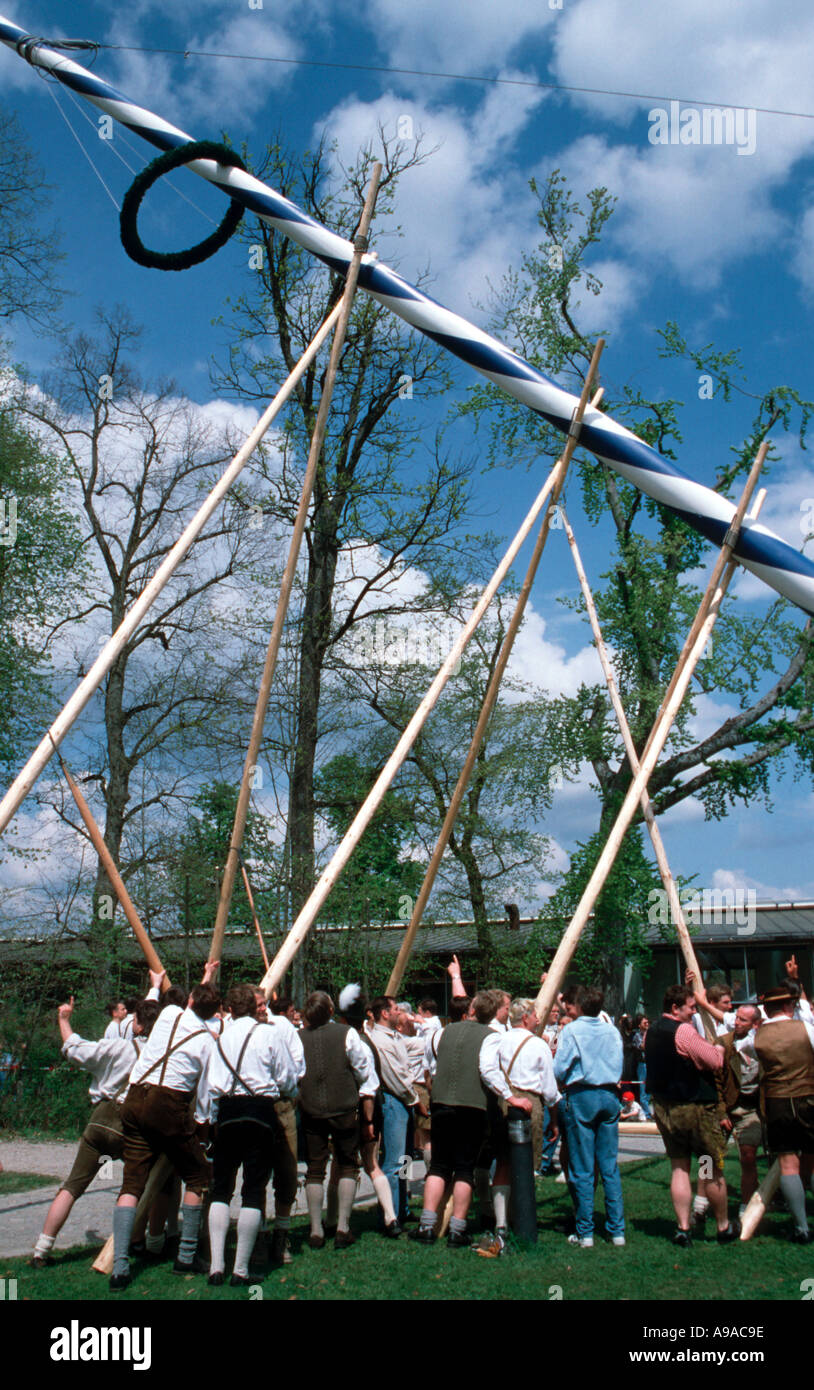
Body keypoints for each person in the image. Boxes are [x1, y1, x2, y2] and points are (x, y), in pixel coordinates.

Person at [109, 962, 221, 1291]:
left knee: (132, 1184)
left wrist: (157, 984)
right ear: (215, 1012)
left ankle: (119, 1268)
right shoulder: (207, 1042)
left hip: (134, 1098)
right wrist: (202, 1131)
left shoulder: (169, 1015)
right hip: (168, 1104)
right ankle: (186, 1255)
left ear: (190, 1002)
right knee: (198, 1176)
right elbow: (204, 1099)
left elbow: (172, 1004)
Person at [31, 994, 160, 1267]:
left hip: (101, 1117)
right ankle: (138, 1240)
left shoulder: (120, 1048)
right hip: (134, 1127)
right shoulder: (164, 1058)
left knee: (72, 1186)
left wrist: (63, 1019)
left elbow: (75, 1049)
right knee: (138, 1187)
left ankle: (41, 1249)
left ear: (137, 1026)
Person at [411, 991, 531, 1248]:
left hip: (441, 1103)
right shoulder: (491, 1037)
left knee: (439, 1166)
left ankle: (426, 1225)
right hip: (471, 1107)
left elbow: (431, 1067)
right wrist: (511, 1097)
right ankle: (457, 1230)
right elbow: (488, 1070)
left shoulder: (442, 1032)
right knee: (464, 1168)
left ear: (473, 1009)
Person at [206, 983, 303, 1286]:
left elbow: (209, 1086)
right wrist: (288, 1092)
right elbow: (287, 1078)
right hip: (260, 1112)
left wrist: (209, 1120)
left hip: (226, 1113)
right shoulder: (270, 1033)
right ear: (253, 1005)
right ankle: (241, 1270)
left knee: (221, 1188)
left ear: (231, 1008)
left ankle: (216, 1266)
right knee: (252, 1188)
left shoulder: (220, 1039)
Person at [645, 982, 738, 1247]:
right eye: (691, 1007)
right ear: (675, 1008)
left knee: (679, 1167)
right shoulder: (683, 1030)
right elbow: (714, 1061)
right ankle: (722, 1226)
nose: (694, 1012)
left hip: (665, 1108)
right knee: (710, 1166)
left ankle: (683, 1228)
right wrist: (717, 1049)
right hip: (694, 1108)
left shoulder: (650, 1031)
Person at [299, 990, 378, 1250]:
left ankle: (315, 1230)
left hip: (312, 1110)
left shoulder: (298, 1038)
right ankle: (343, 1227)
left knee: (314, 1169)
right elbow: (363, 1070)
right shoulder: (348, 1034)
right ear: (331, 1011)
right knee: (347, 1166)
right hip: (344, 1108)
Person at [479, 997, 559, 1238]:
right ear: (525, 1018)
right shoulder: (538, 1045)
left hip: (501, 1103)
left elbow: (487, 1070)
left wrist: (505, 1094)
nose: (537, 1019)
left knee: (503, 1162)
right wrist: (555, 1118)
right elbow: (550, 1089)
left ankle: (501, 1222)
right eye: (535, 1015)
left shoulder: (498, 1040)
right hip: (530, 1104)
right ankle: (523, 1219)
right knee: (526, 1165)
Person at [553, 985, 625, 1249]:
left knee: (582, 1167)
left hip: (582, 1094)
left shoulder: (571, 1030)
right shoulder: (612, 1030)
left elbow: (559, 1067)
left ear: (580, 1006)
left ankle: (585, 1233)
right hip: (609, 1095)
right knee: (609, 1166)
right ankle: (617, 1230)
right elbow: (619, 1062)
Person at [754, 982, 814, 1242]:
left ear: (767, 1009)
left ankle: (801, 1227)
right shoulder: (807, 1028)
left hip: (777, 1102)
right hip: (809, 1099)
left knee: (788, 1164)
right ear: (790, 1005)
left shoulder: (755, 1036)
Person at [367, 995, 419, 1226]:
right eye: (396, 1009)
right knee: (394, 1161)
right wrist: (416, 1099)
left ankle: (404, 1205)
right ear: (385, 1014)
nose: (400, 1012)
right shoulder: (380, 1040)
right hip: (394, 1100)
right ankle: (392, 1213)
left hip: (405, 1101)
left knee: (406, 1157)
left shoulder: (395, 1036)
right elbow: (395, 1077)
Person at [717, 1003, 762, 1214]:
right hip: (725, 1108)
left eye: (743, 1020)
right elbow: (715, 1081)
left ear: (755, 1024)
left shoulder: (761, 1045)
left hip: (750, 1109)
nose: (736, 1023)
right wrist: (720, 1111)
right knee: (709, 1157)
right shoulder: (724, 1044)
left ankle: (745, 1205)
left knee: (748, 1157)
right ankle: (702, 1200)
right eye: (736, 1018)